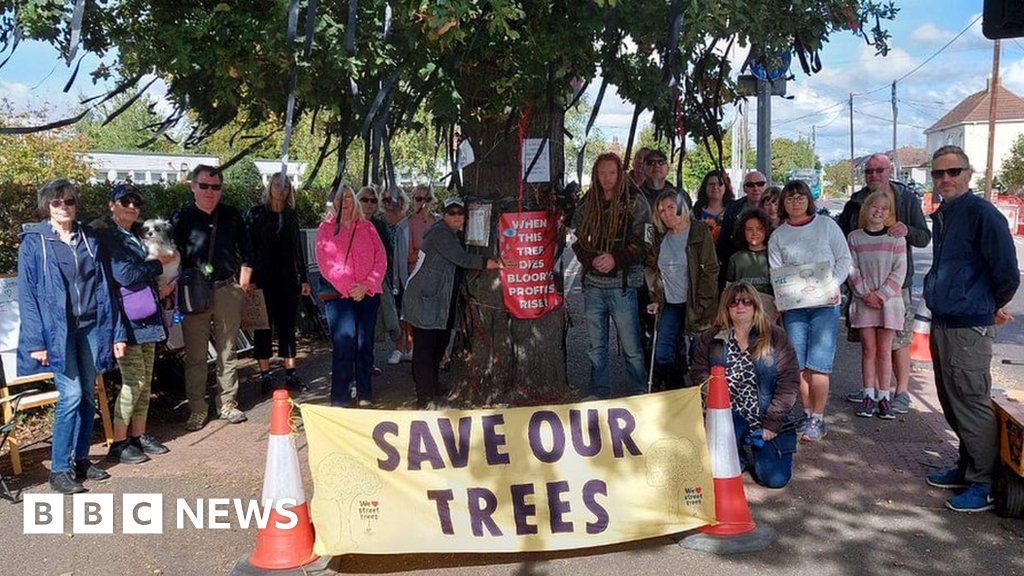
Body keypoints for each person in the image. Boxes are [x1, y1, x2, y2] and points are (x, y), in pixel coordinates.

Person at [922, 145, 1019, 512]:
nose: (945, 179)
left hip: (968, 326)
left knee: (971, 400)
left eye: (953, 172)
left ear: (968, 174)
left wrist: (988, 306)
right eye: (938, 173)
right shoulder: (945, 213)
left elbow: (1006, 272)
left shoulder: (982, 214)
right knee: (951, 398)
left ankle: (984, 483)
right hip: (945, 320)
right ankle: (966, 468)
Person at [17, 179, 127, 494]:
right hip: (57, 331)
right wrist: (35, 341)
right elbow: (28, 296)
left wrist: (115, 332)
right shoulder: (34, 241)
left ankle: (80, 460)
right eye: (57, 202)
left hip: (90, 325)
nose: (64, 207)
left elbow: (106, 288)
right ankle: (59, 469)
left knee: (89, 394)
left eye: (69, 201)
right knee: (72, 396)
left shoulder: (89, 238)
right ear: (46, 207)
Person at [838, 152, 930, 413]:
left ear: (890, 171)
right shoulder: (855, 202)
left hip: (895, 287)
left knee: (897, 343)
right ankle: (871, 390)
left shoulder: (906, 199)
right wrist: (860, 290)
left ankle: (899, 392)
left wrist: (906, 230)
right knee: (868, 345)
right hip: (863, 289)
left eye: (879, 170)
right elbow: (843, 241)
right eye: (869, 171)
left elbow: (924, 236)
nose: (874, 175)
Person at [91, 184, 174, 465]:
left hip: (146, 314)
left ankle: (139, 436)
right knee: (132, 381)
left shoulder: (136, 233)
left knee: (144, 380)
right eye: (124, 201)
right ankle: (118, 442)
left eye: (136, 201)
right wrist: (157, 265)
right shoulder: (108, 236)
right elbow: (124, 274)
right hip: (125, 320)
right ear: (111, 204)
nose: (131, 206)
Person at [690, 282, 800, 488]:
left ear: (756, 305)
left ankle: (752, 447)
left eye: (746, 302)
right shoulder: (711, 338)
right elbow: (698, 373)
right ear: (726, 307)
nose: (740, 306)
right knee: (714, 474)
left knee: (774, 479)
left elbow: (789, 383)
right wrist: (712, 401)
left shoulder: (776, 336)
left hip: (767, 417)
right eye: (733, 302)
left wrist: (772, 424)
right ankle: (737, 451)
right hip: (727, 418)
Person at [171, 164, 254, 431]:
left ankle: (227, 402)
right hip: (194, 291)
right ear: (192, 186)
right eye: (204, 185)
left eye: (215, 187)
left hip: (227, 289)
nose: (210, 191)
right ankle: (197, 408)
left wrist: (244, 281)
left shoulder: (231, 215)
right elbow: (170, 254)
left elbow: (248, 250)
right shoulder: (180, 217)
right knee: (195, 354)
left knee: (228, 350)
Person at [768, 180, 851, 442]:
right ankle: (805, 413)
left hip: (825, 306)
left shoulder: (826, 226)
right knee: (799, 365)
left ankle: (818, 417)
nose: (795, 202)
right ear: (783, 203)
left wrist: (832, 284)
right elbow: (776, 273)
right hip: (795, 308)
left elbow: (844, 259)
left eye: (800, 197)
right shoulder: (778, 235)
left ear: (808, 199)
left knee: (820, 364)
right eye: (790, 198)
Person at [402, 197, 502, 408]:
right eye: (451, 212)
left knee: (438, 346)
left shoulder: (451, 234)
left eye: (460, 213)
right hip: (424, 300)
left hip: (439, 301)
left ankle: (432, 385)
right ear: (444, 214)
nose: (456, 216)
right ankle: (424, 397)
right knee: (424, 349)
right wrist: (491, 263)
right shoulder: (440, 233)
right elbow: (462, 259)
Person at [572, 152, 651, 399]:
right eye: (602, 173)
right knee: (596, 346)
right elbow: (576, 236)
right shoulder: (588, 203)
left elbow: (646, 241)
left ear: (619, 174)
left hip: (623, 284)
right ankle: (599, 392)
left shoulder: (636, 202)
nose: (607, 178)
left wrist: (617, 258)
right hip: (593, 284)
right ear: (596, 174)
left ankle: (639, 390)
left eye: (612, 173)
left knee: (631, 346)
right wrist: (590, 259)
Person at [315, 185, 387, 407]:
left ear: (353, 200)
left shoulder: (367, 227)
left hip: (368, 293)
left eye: (347, 196)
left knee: (364, 345)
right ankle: (341, 398)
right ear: (333, 202)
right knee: (344, 344)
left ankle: (365, 393)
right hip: (339, 297)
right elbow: (325, 264)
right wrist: (350, 288)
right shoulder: (325, 228)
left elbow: (381, 258)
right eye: (339, 197)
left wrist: (366, 285)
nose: (343, 201)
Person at [644, 190, 719, 389]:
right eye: (661, 210)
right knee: (662, 355)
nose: (667, 213)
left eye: (671, 207)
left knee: (699, 358)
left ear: (681, 207)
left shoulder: (699, 230)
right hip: (671, 303)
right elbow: (660, 274)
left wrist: (704, 303)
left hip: (696, 303)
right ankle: (679, 393)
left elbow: (710, 269)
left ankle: (702, 404)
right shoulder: (661, 237)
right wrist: (658, 299)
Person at [245, 173, 311, 392]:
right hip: (262, 280)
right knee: (263, 327)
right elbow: (248, 249)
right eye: (276, 185)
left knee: (287, 327)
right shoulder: (256, 214)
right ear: (269, 187)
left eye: (285, 187)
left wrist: (304, 278)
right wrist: (250, 279)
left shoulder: (291, 215)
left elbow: (297, 250)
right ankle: (264, 375)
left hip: (287, 280)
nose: (280, 190)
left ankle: (290, 373)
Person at [846, 191, 907, 420]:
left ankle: (884, 396)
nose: (879, 212)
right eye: (875, 207)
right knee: (868, 350)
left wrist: (881, 295)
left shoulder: (896, 239)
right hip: (863, 302)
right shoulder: (855, 238)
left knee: (885, 350)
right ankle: (868, 394)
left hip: (889, 303)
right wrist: (865, 293)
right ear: (866, 209)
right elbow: (852, 269)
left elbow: (900, 270)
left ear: (889, 213)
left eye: (884, 209)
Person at [358, 185, 399, 376]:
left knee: (372, 324)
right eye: (365, 199)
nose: (369, 204)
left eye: (373, 200)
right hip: (351, 283)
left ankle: (368, 362)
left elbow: (388, 251)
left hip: (375, 281)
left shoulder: (380, 225)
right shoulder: (350, 222)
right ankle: (356, 366)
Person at [717, 170, 768, 282]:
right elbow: (723, 240)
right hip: (739, 265)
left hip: (769, 262)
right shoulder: (732, 209)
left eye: (760, 184)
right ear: (744, 188)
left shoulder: (776, 206)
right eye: (750, 185)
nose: (755, 188)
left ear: (766, 185)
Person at [725, 208, 776, 320]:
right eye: (749, 229)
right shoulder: (736, 259)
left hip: (768, 310)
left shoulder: (773, 256)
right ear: (742, 231)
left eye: (759, 229)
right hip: (742, 309)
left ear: (766, 230)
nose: (754, 233)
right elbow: (728, 291)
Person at [382, 189, 412, 365]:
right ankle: (399, 347)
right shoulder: (381, 222)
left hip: (406, 272)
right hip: (386, 274)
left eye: (393, 199)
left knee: (407, 312)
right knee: (393, 313)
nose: (389, 203)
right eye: (385, 199)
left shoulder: (409, 222)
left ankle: (410, 347)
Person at [693, 169, 734, 243]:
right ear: (705, 187)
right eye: (711, 184)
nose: (715, 187)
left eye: (719, 184)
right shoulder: (696, 211)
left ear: (726, 187)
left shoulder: (734, 209)